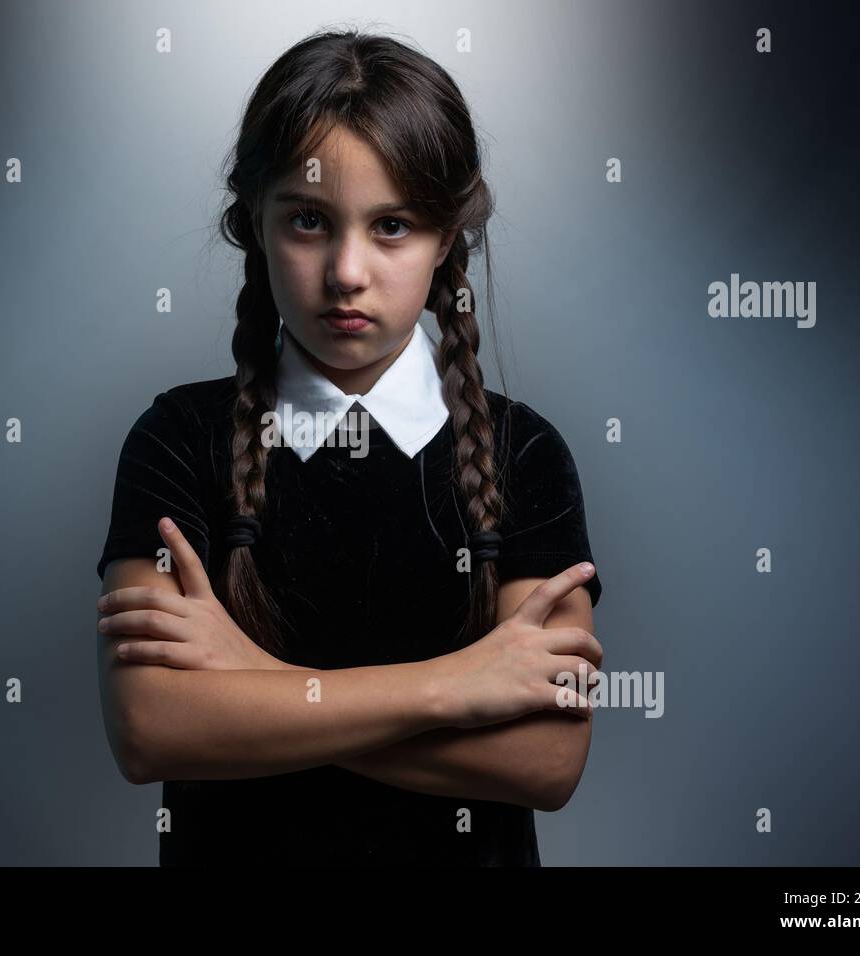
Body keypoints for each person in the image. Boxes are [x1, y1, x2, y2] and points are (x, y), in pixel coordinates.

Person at [96, 29, 604, 866]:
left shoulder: (527, 454)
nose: (346, 271)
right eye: (307, 220)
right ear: (251, 224)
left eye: (393, 226)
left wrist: (249, 680)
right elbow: (149, 728)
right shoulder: (179, 440)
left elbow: (546, 761)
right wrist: (458, 685)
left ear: (447, 240)